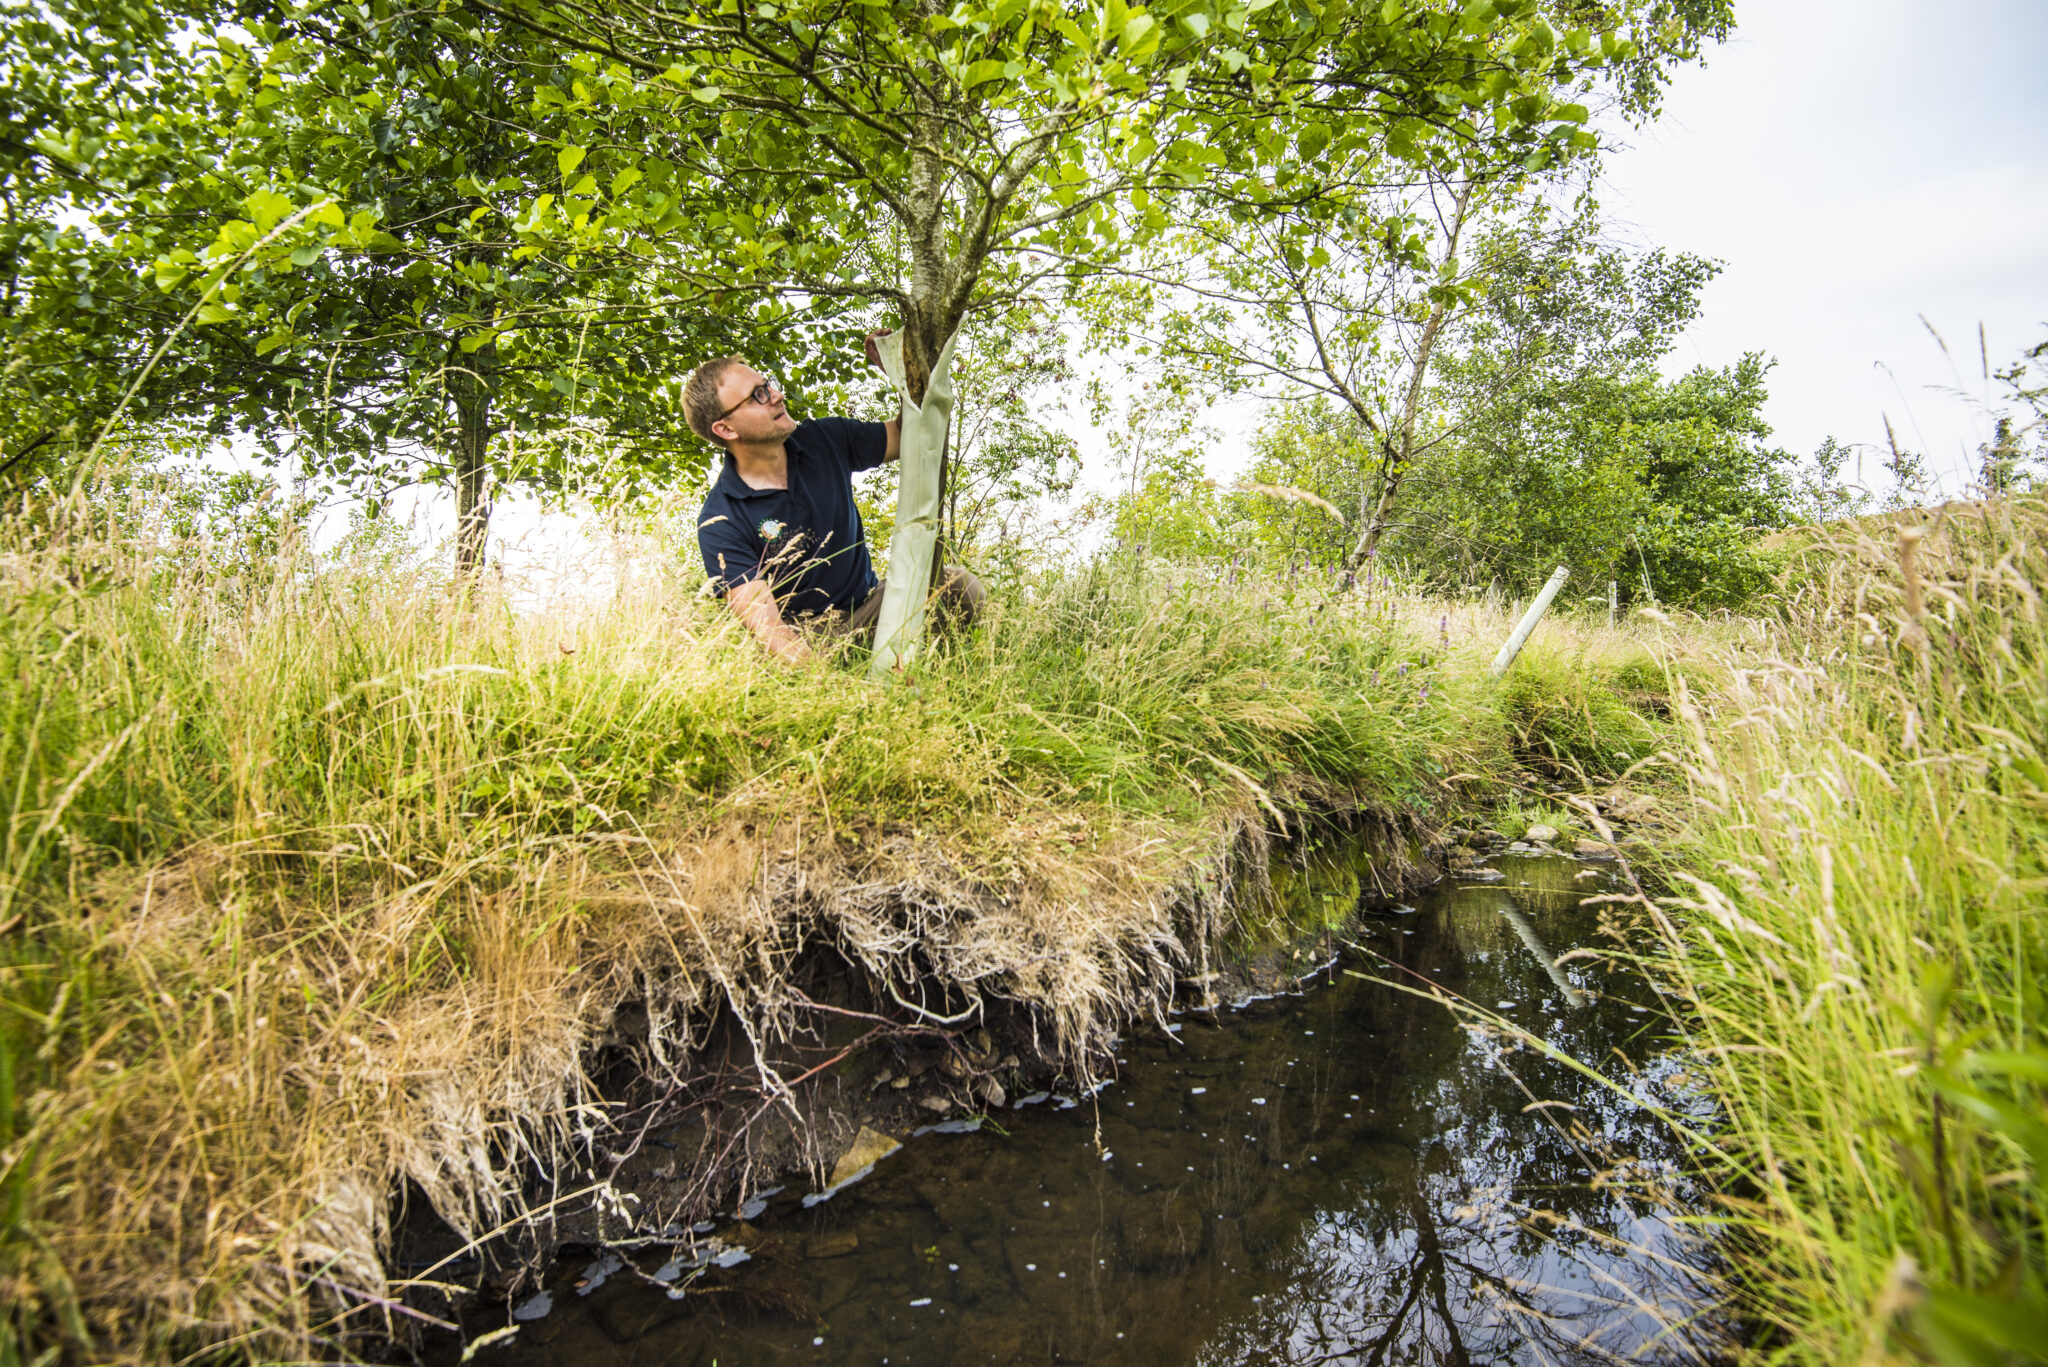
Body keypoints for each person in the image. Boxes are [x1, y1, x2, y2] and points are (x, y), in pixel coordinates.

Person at [685, 340, 983, 665]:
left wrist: (900, 374)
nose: (777, 395)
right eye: (758, 395)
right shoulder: (721, 518)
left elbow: (905, 436)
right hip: (808, 635)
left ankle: (942, 678)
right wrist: (832, 691)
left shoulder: (824, 438)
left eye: (768, 384)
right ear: (725, 428)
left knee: (959, 587)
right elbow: (768, 630)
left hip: (871, 605)